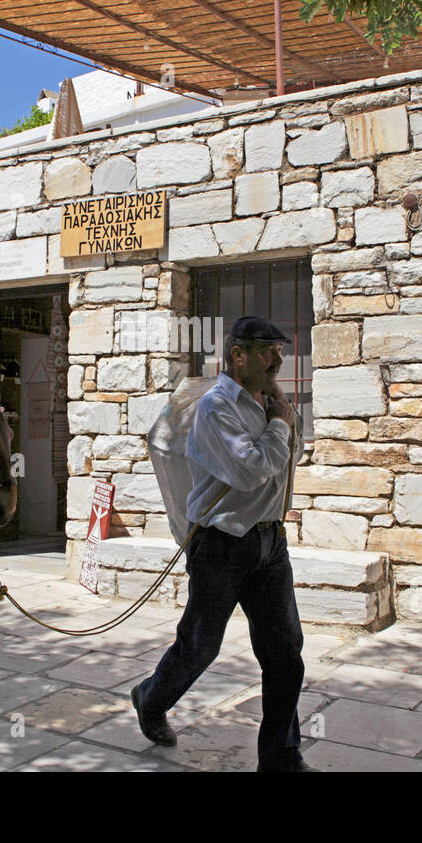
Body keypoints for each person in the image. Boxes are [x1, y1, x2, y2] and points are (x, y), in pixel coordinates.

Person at [132, 315, 310, 772]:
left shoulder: (269, 404)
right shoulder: (217, 408)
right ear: (238, 355)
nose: (279, 358)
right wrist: (280, 423)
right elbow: (251, 470)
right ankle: (150, 699)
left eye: (280, 349)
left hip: (270, 543)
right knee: (200, 646)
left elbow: (291, 455)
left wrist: (283, 414)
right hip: (221, 547)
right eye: (268, 350)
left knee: (285, 654)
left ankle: (281, 758)